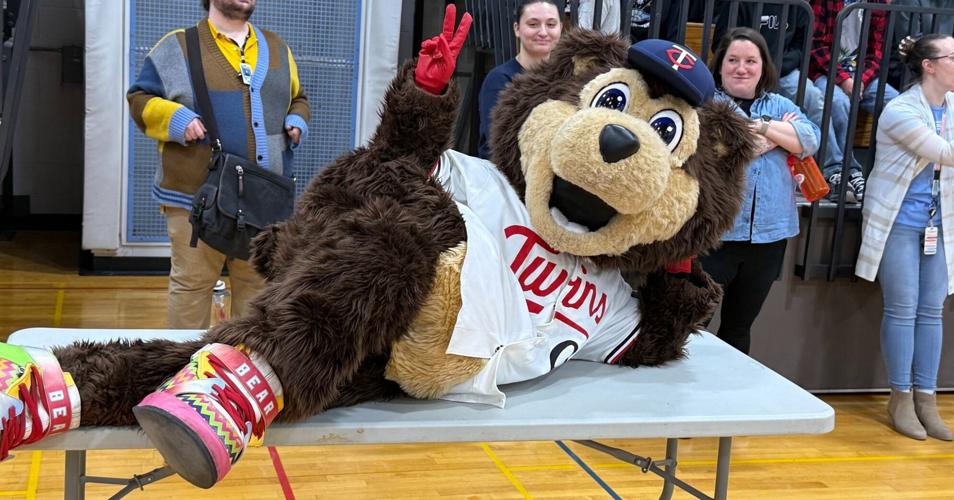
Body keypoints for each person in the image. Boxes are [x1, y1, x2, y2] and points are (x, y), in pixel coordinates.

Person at [127, 0, 310, 328]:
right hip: (197, 200)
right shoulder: (177, 46)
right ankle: (185, 371)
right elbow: (139, 100)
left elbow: (299, 97)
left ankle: (244, 373)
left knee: (257, 291)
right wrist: (175, 118)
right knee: (191, 288)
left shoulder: (278, 48)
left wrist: (298, 117)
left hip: (263, 203)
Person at [856, 34, 954, 441]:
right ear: (929, 66)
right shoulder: (899, 110)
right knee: (903, 308)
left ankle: (926, 399)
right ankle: (900, 396)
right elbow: (945, 153)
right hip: (898, 221)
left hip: (940, 223)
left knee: (932, 309)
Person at [699, 27, 820, 355]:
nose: (741, 68)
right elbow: (722, 149)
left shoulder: (779, 102)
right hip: (716, 236)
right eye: (733, 60)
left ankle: (730, 401)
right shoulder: (706, 103)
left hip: (769, 237)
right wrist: (780, 134)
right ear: (720, 65)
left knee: (739, 327)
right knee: (694, 324)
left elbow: (809, 140)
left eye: (750, 61)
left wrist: (763, 127)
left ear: (763, 66)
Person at [809, 0, 899, 202]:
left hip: (861, 76)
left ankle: (893, 178)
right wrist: (843, 79)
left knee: (897, 105)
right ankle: (844, 171)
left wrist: (861, 79)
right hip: (824, 71)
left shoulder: (878, 3)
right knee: (838, 102)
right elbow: (815, 47)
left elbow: (877, 52)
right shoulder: (825, 3)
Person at [477, 0, 561, 159]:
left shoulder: (568, 79)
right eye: (533, 24)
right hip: (505, 178)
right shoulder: (500, 80)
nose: (543, 32)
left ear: (561, 29)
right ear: (517, 28)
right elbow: (500, 142)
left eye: (551, 25)